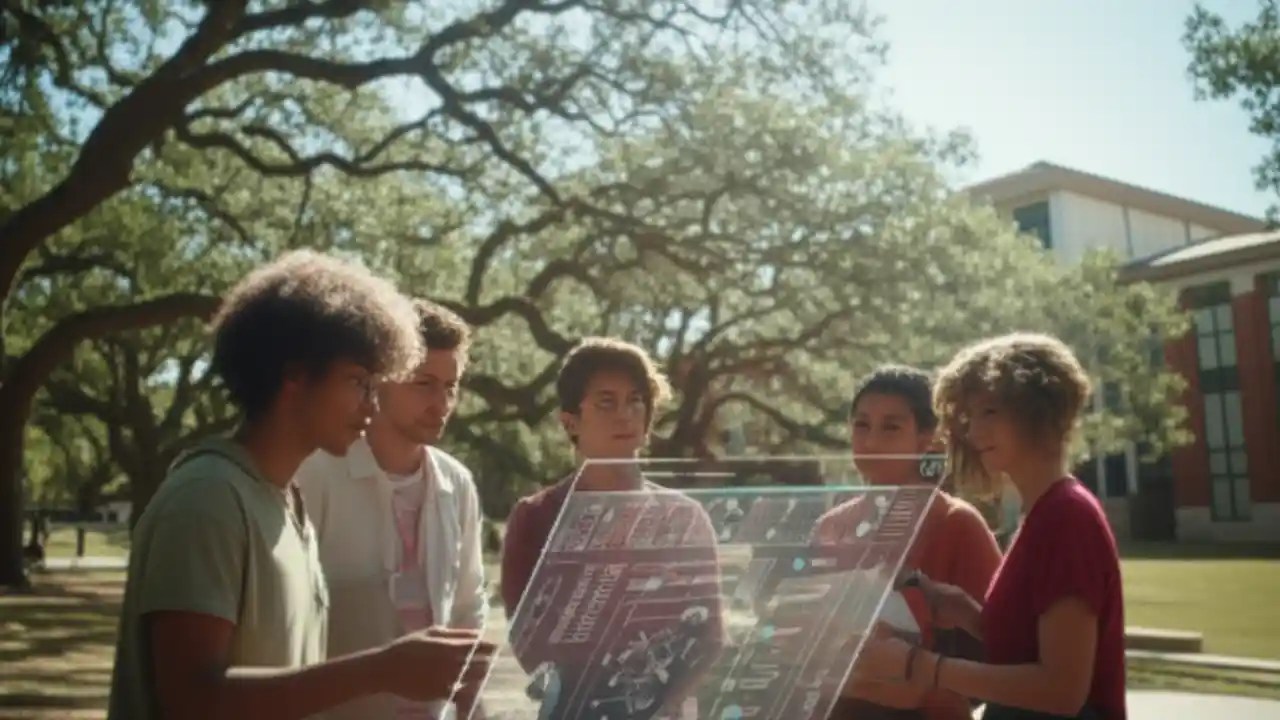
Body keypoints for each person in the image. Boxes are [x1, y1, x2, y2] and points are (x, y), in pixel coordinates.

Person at [106, 251, 493, 720]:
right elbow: (192, 699)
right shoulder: (206, 499)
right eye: (357, 381)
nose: (372, 405)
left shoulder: (290, 507)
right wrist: (380, 671)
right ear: (294, 374)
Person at [855, 333, 1125, 720]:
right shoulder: (1042, 513)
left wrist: (918, 665)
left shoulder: (1067, 518)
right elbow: (1029, 649)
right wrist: (966, 613)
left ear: (1038, 412)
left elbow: (1062, 690)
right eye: (969, 417)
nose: (974, 433)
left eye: (990, 413)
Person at [500, 337, 724, 720]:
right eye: (606, 402)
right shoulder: (536, 516)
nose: (625, 414)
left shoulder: (684, 517)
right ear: (570, 420)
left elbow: (712, 637)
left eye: (635, 399)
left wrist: (664, 706)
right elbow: (527, 641)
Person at [296, 299, 487, 720]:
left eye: (451, 386)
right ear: (380, 379)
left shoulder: (457, 485)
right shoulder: (316, 475)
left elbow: (467, 610)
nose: (442, 402)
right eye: (424, 383)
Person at [815, 365, 1002, 720]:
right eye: (861, 425)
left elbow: (1000, 652)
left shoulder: (956, 524)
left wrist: (914, 675)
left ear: (926, 438)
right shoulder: (831, 526)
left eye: (891, 427)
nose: (870, 442)